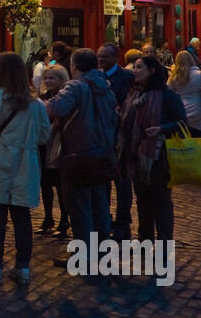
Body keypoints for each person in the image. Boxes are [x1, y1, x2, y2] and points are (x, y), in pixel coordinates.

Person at [0, 52, 51, 285]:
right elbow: (44, 134)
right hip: (25, 161)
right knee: (21, 215)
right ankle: (23, 267)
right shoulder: (36, 104)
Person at [44, 48, 117, 270]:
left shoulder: (75, 87)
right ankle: (103, 253)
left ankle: (83, 257)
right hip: (103, 152)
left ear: (74, 66)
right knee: (100, 206)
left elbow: (55, 108)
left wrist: (44, 103)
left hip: (78, 155)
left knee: (80, 208)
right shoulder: (106, 87)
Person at [118, 54, 187, 240]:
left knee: (161, 201)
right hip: (136, 155)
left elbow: (182, 123)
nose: (135, 71)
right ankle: (144, 238)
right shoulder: (134, 93)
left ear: (152, 71)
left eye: (139, 67)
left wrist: (161, 129)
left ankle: (165, 243)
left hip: (158, 157)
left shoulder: (167, 95)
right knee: (143, 200)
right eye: (134, 67)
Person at [97, 42, 134, 240]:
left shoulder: (126, 77)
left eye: (105, 56)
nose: (101, 59)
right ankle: (105, 218)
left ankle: (123, 223)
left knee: (122, 182)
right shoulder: (96, 77)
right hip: (101, 137)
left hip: (120, 137)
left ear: (115, 58)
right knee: (103, 182)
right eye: (99, 55)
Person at [168, 49, 201, 164]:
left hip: (181, 113)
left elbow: (168, 93)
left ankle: (187, 166)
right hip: (200, 113)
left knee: (184, 142)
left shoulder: (173, 77)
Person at [37, 64, 69, 236]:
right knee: (45, 184)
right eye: (46, 78)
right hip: (43, 145)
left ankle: (64, 219)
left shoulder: (66, 98)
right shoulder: (41, 97)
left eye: (52, 78)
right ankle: (48, 217)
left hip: (60, 146)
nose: (48, 81)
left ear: (61, 80)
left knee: (60, 185)